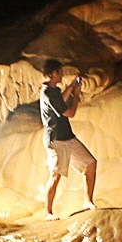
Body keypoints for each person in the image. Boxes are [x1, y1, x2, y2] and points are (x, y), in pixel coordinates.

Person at [38, 59, 96, 219]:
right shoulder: (48, 93)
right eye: (60, 71)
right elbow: (70, 112)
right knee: (55, 175)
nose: (62, 74)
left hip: (68, 136)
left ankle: (88, 201)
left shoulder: (53, 90)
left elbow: (61, 100)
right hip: (56, 139)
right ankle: (48, 213)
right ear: (54, 73)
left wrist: (71, 87)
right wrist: (76, 95)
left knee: (90, 163)